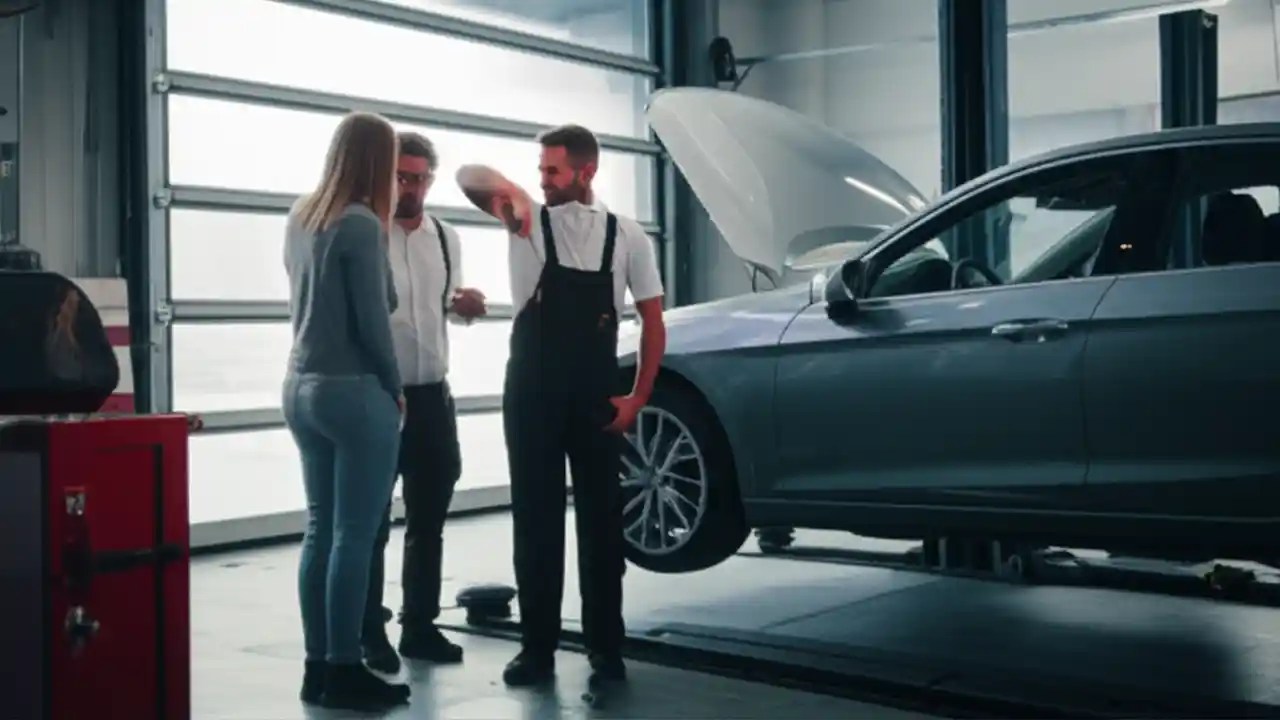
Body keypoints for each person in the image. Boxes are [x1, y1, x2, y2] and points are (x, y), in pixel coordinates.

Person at [456, 123, 667, 688]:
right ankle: (537, 650)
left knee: (603, 523)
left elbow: (652, 319)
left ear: (586, 171)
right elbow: (466, 178)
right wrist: (510, 197)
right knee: (536, 520)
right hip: (531, 393)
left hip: (598, 394)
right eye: (539, 170)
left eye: (552, 171)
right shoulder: (525, 221)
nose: (542, 180)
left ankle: (606, 647)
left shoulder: (627, 234)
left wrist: (639, 397)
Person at [281, 111, 410, 712]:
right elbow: (376, 315)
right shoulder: (362, 224)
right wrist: (396, 387)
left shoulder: (302, 215)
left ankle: (316, 667)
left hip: (300, 385)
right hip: (354, 390)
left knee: (320, 528)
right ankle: (344, 667)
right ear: (378, 163)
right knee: (355, 536)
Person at [361, 131, 488, 673]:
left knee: (429, 519)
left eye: (419, 178)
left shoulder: (444, 237)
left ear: (430, 180)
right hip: (379, 397)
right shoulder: (365, 235)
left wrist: (466, 306)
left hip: (433, 396)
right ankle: (370, 631)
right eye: (402, 177)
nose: (410, 188)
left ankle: (419, 626)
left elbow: (448, 307)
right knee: (370, 522)